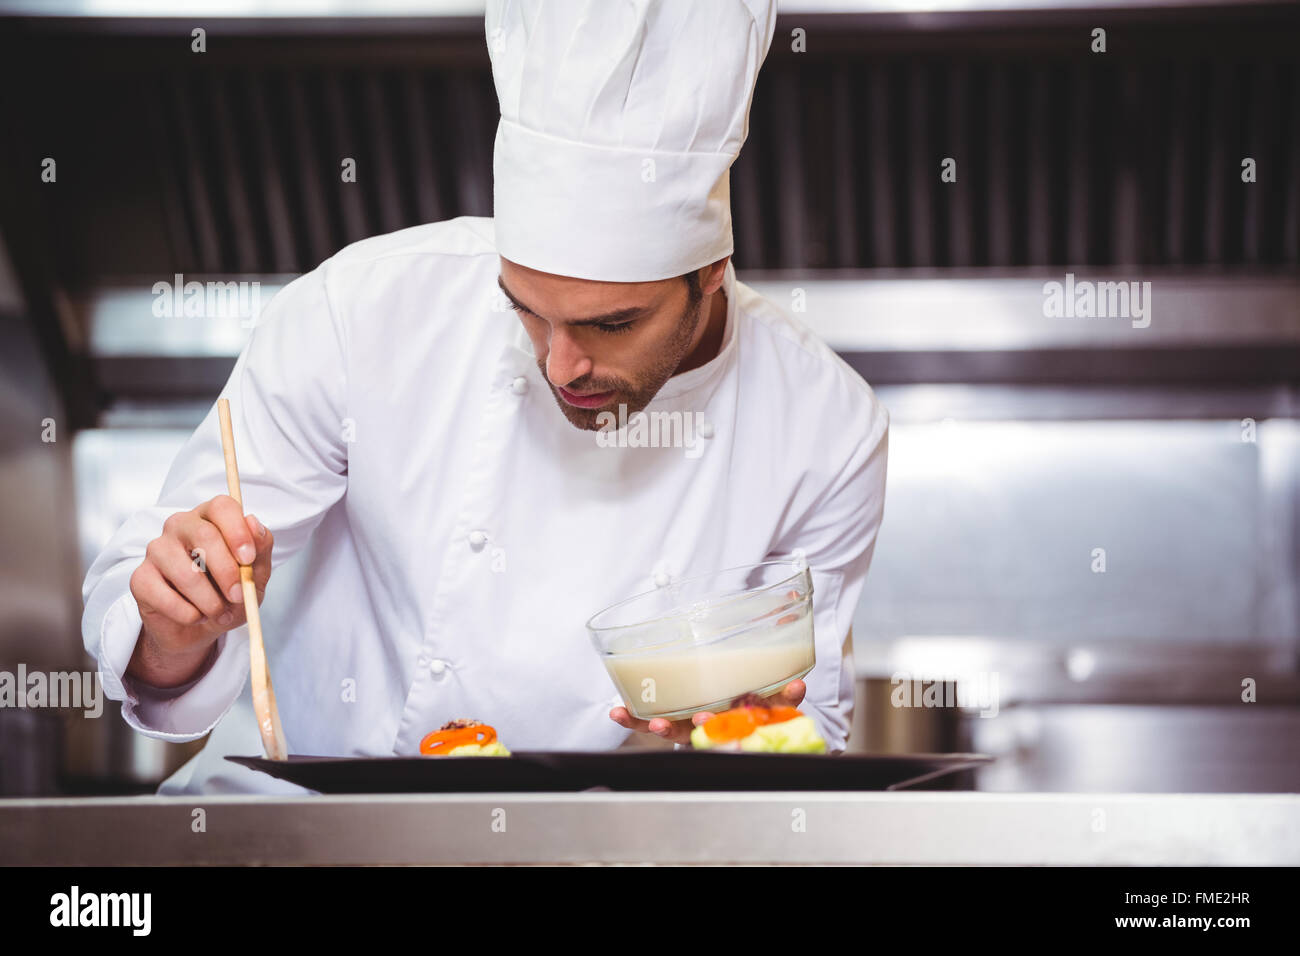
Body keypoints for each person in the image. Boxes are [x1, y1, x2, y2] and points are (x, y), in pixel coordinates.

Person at [81, 0, 888, 794]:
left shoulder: (826, 427)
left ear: (710, 274)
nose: (561, 364)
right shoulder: (364, 311)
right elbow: (147, 626)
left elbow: (797, 753)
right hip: (290, 839)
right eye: (526, 312)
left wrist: (723, 739)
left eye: (612, 324)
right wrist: (175, 624)